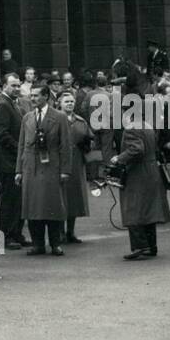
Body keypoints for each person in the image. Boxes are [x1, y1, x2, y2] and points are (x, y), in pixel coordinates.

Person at [111, 105, 170, 260]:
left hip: (137, 173)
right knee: (148, 211)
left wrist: (119, 158)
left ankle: (140, 246)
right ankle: (151, 246)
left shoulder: (131, 128)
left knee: (133, 209)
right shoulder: (147, 126)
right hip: (151, 171)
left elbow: (137, 149)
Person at [15, 83, 69, 256]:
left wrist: (65, 170)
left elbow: (65, 146)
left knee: (52, 205)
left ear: (46, 96)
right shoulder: (27, 118)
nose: (33, 99)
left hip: (51, 165)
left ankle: (55, 243)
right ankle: (37, 244)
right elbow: (22, 145)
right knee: (32, 206)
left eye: (36, 95)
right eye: (31, 96)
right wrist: (19, 170)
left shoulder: (59, 117)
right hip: (31, 166)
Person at [0, 72, 28, 247]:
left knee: (17, 199)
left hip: (13, 160)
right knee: (9, 200)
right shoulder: (3, 105)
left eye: (18, 85)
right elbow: (1, 133)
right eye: (13, 85)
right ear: (4, 86)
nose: (17, 88)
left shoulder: (13, 103)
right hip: (8, 161)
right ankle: (6, 236)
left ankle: (16, 233)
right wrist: (19, 149)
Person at [58, 89, 92, 244]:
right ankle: (59, 232)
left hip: (77, 161)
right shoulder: (56, 119)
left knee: (74, 197)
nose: (70, 104)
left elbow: (91, 138)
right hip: (59, 161)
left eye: (72, 101)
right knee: (60, 197)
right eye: (66, 101)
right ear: (60, 103)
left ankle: (70, 231)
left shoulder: (80, 121)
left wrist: (87, 143)